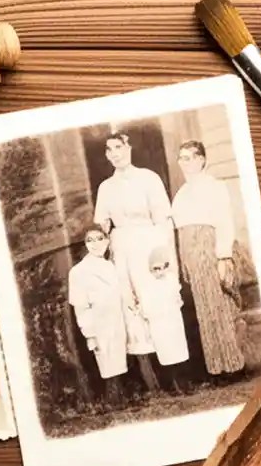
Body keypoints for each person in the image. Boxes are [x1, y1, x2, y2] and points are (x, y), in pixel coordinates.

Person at [93, 131, 172, 391]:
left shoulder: (148, 178)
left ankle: (173, 374)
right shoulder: (106, 187)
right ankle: (150, 381)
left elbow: (162, 219)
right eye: (109, 150)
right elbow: (102, 223)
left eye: (118, 147)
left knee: (157, 303)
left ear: (129, 148)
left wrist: (161, 252)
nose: (114, 153)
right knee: (130, 305)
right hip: (121, 246)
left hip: (148, 244)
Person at [171, 139, 249, 375]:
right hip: (190, 249)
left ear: (202, 159)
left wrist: (223, 257)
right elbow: (181, 229)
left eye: (190, 157)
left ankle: (235, 365)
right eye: (182, 158)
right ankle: (217, 368)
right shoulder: (181, 193)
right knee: (205, 311)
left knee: (221, 306)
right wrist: (184, 260)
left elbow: (224, 221)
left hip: (209, 246)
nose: (185, 163)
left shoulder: (214, 186)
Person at [67, 224, 128, 403]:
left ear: (107, 241)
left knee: (118, 357)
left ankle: (121, 394)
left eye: (99, 239)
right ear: (84, 244)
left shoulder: (111, 266)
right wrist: (89, 332)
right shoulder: (79, 271)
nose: (95, 244)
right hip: (98, 322)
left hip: (117, 318)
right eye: (90, 240)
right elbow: (80, 306)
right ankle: (113, 398)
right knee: (105, 359)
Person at [139, 245, 189, 393]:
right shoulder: (147, 286)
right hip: (159, 322)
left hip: (173, 320)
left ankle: (183, 383)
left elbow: (177, 298)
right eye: (156, 269)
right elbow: (146, 307)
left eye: (163, 267)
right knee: (165, 353)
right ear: (150, 269)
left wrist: (175, 304)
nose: (160, 272)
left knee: (179, 351)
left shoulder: (172, 280)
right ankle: (170, 386)